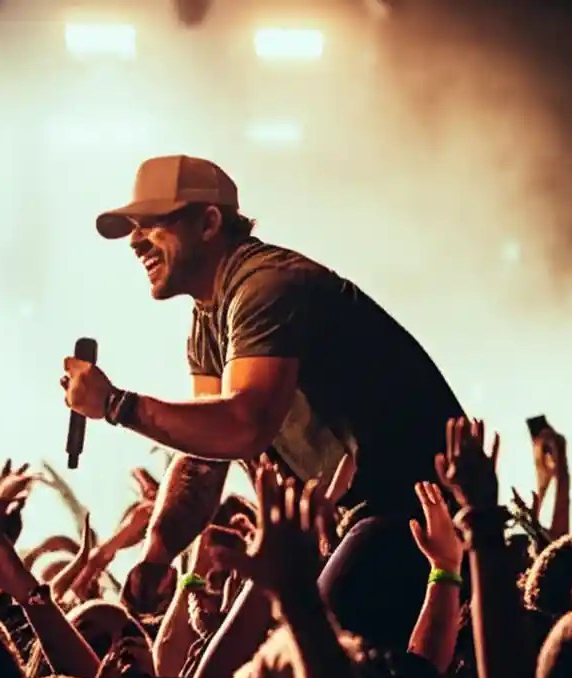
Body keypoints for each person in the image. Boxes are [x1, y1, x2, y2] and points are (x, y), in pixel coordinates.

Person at [60, 155, 466, 645]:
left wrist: (116, 406)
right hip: (362, 516)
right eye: (131, 228)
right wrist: (158, 554)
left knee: (313, 658)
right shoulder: (209, 317)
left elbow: (244, 424)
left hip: (414, 510)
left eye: (151, 223)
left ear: (209, 223)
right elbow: (206, 456)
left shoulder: (267, 287)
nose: (134, 240)